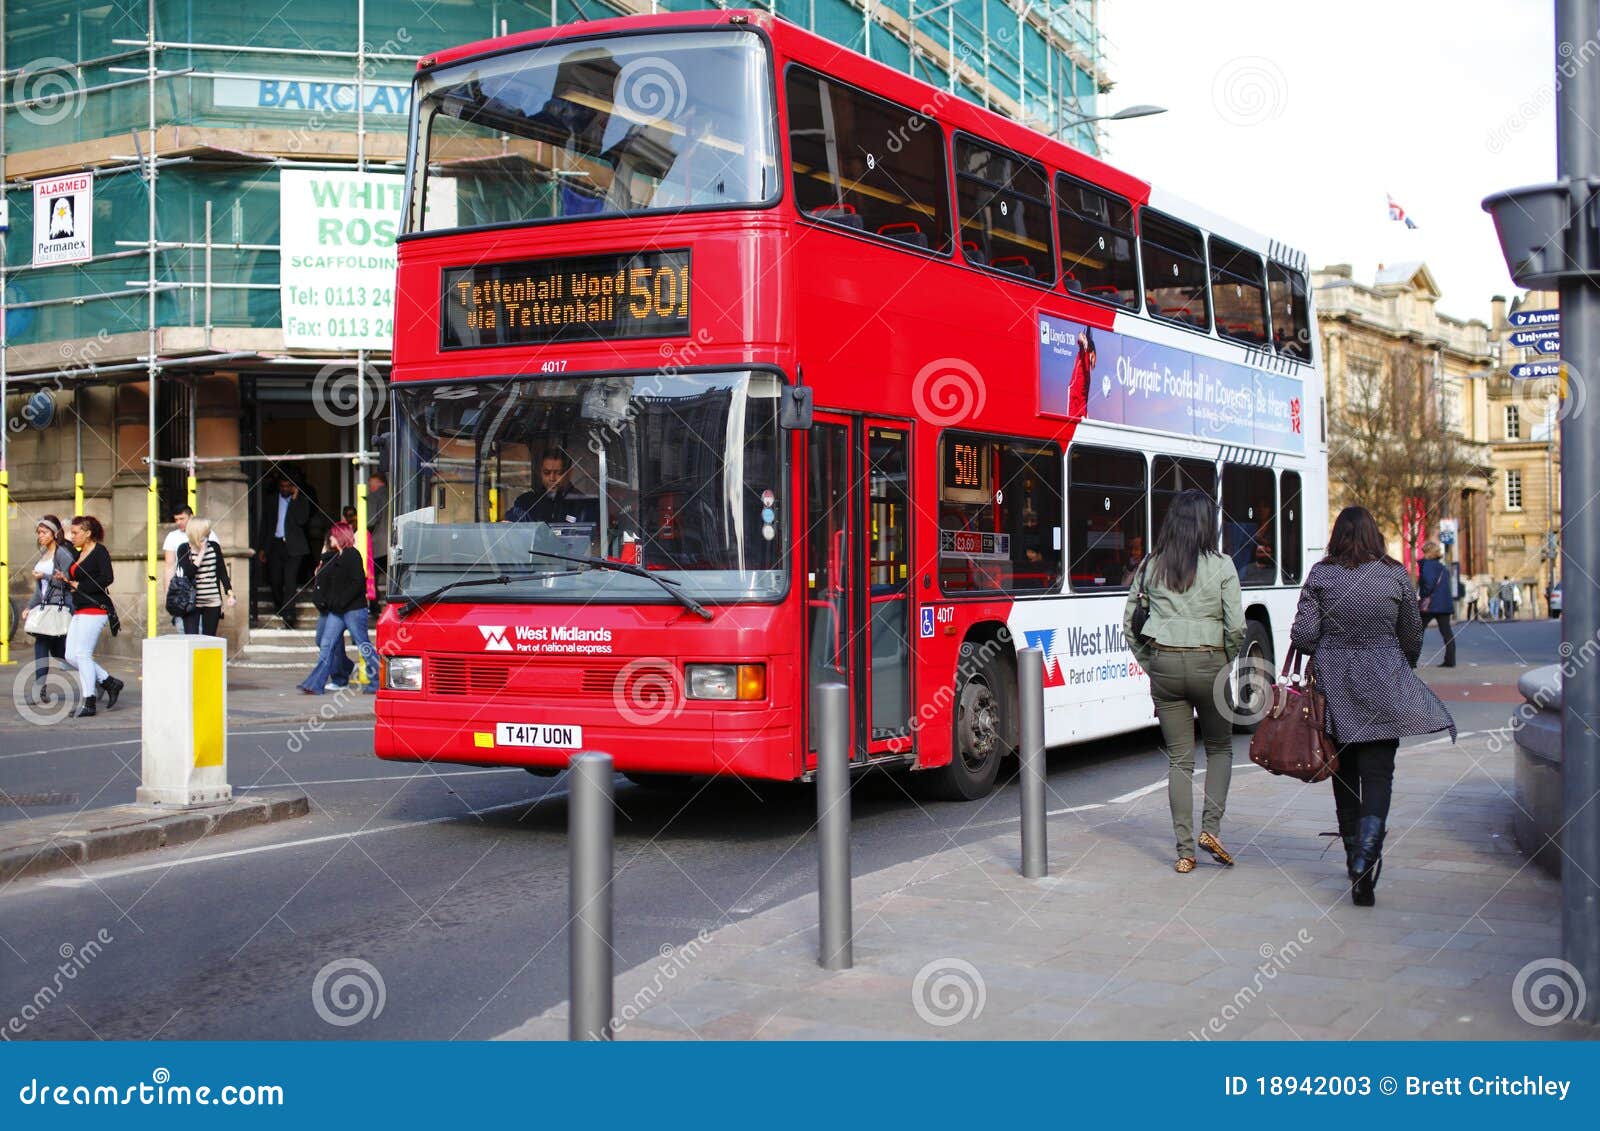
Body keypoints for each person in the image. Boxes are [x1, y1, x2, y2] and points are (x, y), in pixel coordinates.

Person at [1290, 506, 1456, 908]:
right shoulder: (1395, 574)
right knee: (1379, 776)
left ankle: (1355, 863)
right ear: (1374, 536)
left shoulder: (1322, 575)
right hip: (1385, 684)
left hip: (1336, 689)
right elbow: (1412, 635)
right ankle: (1368, 853)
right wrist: (1399, 664)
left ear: (1337, 536)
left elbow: (1304, 635)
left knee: (1343, 776)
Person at [1122, 489, 1245, 874]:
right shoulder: (1222, 566)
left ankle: (1184, 852)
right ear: (1208, 524)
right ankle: (1211, 828)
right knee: (1221, 749)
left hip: (1165, 666)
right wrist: (1225, 660)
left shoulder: (1151, 566)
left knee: (1180, 759)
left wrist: (1150, 664)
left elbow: (1129, 624)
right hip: (1211, 665)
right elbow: (1237, 626)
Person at [58, 515, 123, 717]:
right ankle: (109, 681)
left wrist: (79, 585)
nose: (72, 536)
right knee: (70, 655)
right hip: (80, 608)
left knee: (83, 654)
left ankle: (89, 702)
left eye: (76, 532)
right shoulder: (80, 553)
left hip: (96, 608)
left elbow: (107, 578)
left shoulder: (99, 551)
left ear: (88, 533)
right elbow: (79, 578)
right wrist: (66, 579)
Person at [298, 524, 372, 694]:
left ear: (339, 537)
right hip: (339, 610)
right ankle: (315, 684)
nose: (330, 538)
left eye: (332, 536)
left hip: (353, 609)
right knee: (326, 645)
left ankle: (377, 679)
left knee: (363, 645)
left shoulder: (352, 554)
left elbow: (357, 582)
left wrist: (338, 602)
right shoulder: (338, 555)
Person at [24, 516, 75, 706]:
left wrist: (45, 575)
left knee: (44, 645)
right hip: (47, 607)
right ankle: (100, 679)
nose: (40, 536)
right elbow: (41, 590)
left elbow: (68, 582)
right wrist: (29, 607)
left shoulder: (62, 553)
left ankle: (39, 690)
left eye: (44, 532)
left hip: (61, 606)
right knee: (60, 652)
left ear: (55, 534)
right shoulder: (43, 556)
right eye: (38, 533)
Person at [257, 476, 311, 629]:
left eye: (289, 486)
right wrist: (262, 548)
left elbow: (302, 520)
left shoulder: (301, 500)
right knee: (275, 580)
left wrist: (295, 499)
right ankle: (280, 607)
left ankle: (289, 614)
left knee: (290, 580)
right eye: (283, 486)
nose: (285, 489)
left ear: (294, 487)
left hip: (294, 547)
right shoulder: (271, 500)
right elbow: (265, 525)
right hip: (275, 544)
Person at [175, 518, 235, 636]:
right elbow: (188, 573)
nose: (209, 532)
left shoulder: (214, 547)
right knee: (191, 637)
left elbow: (222, 571)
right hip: (192, 602)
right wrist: (201, 553)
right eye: (206, 530)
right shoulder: (183, 549)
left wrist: (230, 593)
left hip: (212, 601)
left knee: (209, 639)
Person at [506, 450, 598, 524]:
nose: (552, 478)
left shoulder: (584, 505)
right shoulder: (526, 503)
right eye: (546, 472)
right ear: (540, 472)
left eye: (558, 473)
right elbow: (511, 525)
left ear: (569, 473)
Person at [1416, 540, 1457, 667]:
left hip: (1431, 604)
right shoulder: (1441, 566)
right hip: (1443, 604)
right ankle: (1450, 660)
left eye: (1424, 552)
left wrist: (1423, 595)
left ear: (1428, 553)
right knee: (1446, 632)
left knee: (1417, 631)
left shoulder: (1428, 565)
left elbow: (1428, 583)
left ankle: (1411, 659)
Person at [366, 472, 389, 592]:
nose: (370, 488)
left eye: (371, 484)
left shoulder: (373, 497)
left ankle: (373, 606)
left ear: (378, 483)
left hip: (378, 543)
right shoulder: (393, 494)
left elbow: (371, 521)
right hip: (391, 542)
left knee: (372, 575)